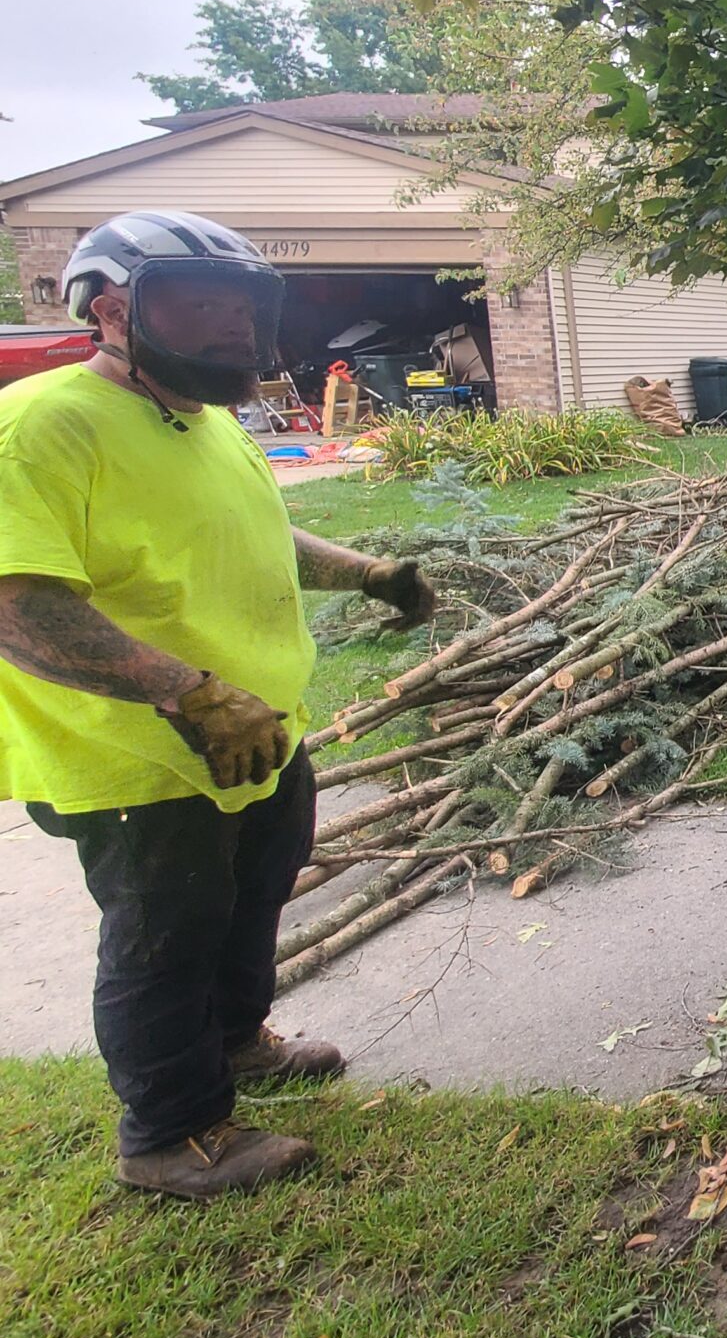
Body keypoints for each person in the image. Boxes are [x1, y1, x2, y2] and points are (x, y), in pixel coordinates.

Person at [0, 211, 438, 1198]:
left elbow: (257, 538)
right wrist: (187, 693)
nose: (235, 324)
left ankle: (238, 1044)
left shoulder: (207, 420)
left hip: (255, 729)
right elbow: (17, 603)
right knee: (167, 938)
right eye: (202, 303)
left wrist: (370, 574)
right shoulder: (43, 425)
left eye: (243, 305)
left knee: (253, 896)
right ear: (112, 310)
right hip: (138, 752)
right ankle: (170, 1133)